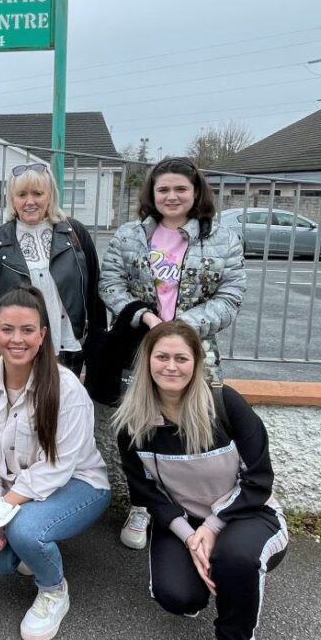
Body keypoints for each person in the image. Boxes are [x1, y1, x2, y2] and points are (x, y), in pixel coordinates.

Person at [112, 320, 288, 640]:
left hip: (247, 513)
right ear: (147, 361)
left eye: (181, 358)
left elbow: (259, 480)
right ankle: (216, 582)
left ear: (196, 363)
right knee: (178, 596)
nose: (170, 366)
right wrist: (191, 537)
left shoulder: (225, 406)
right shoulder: (132, 425)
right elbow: (148, 495)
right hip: (185, 523)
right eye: (161, 357)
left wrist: (211, 528)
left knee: (235, 559)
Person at [98, 155, 246, 550]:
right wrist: (147, 319)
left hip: (195, 351)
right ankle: (144, 505)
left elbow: (231, 295)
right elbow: (110, 282)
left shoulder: (222, 239)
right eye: (163, 189)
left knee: (194, 423)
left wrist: (183, 329)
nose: (172, 196)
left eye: (181, 188)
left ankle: (196, 507)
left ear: (196, 191)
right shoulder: (131, 235)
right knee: (140, 426)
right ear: (152, 193)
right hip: (139, 347)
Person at [0, 287, 111, 640]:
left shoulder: (67, 390)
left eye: (28, 330)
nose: (17, 339)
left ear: (43, 335)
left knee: (26, 529)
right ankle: (32, 547)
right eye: (8, 329)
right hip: (12, 489)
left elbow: (58, 468)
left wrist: (4, 509)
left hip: (78, 485)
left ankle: (53, 589)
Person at [0, 162, 105, 373]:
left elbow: (93, 290)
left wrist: (97, 338)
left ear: (50, 195)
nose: (30, 201)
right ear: (12, 199)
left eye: (37, 193)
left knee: (65, 403)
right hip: (20, 345)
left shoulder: (74, 232)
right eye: (22, 194)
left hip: (68, 342)